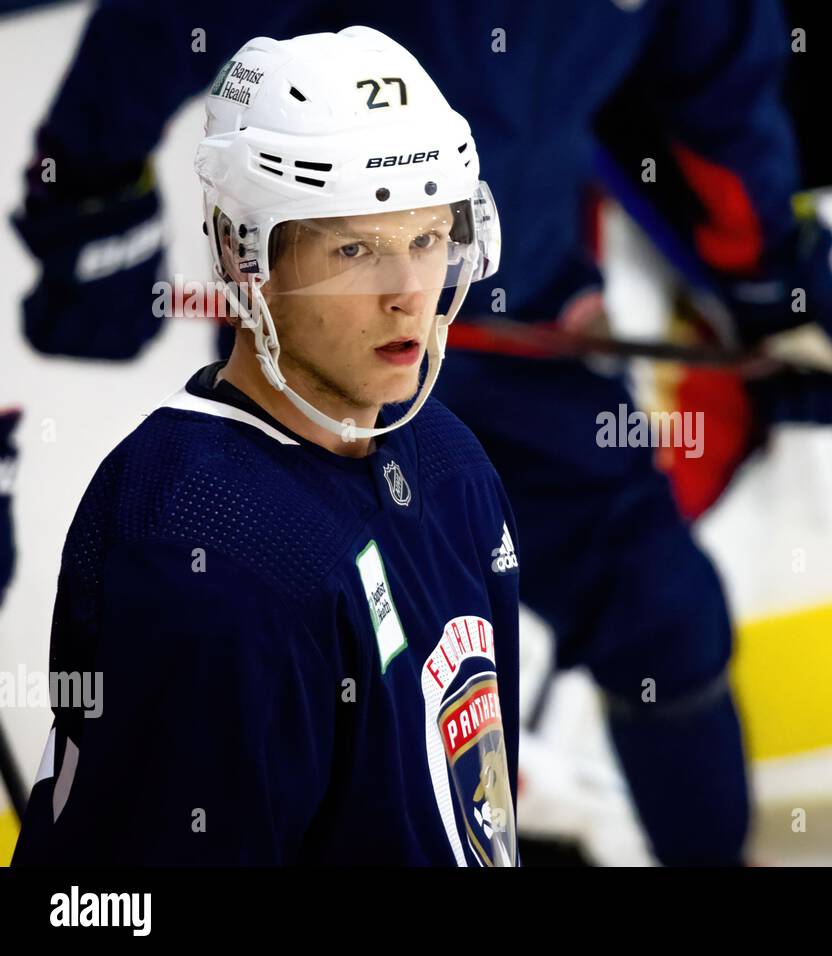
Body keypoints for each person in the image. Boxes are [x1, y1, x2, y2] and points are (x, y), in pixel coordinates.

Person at [13, 1, 832, 865]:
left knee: (667, 615)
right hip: (327, 365)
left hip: (538, 341)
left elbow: (722, 111)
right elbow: (168, 18)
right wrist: (92, 183)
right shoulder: (185, 519)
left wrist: (782, 294)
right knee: (337, 671)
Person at [11, 27, 519, 866]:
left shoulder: (448, 461)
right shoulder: (203, 556)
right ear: (243, 253)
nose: (409, 295)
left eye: (428, 239)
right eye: (355, 249)